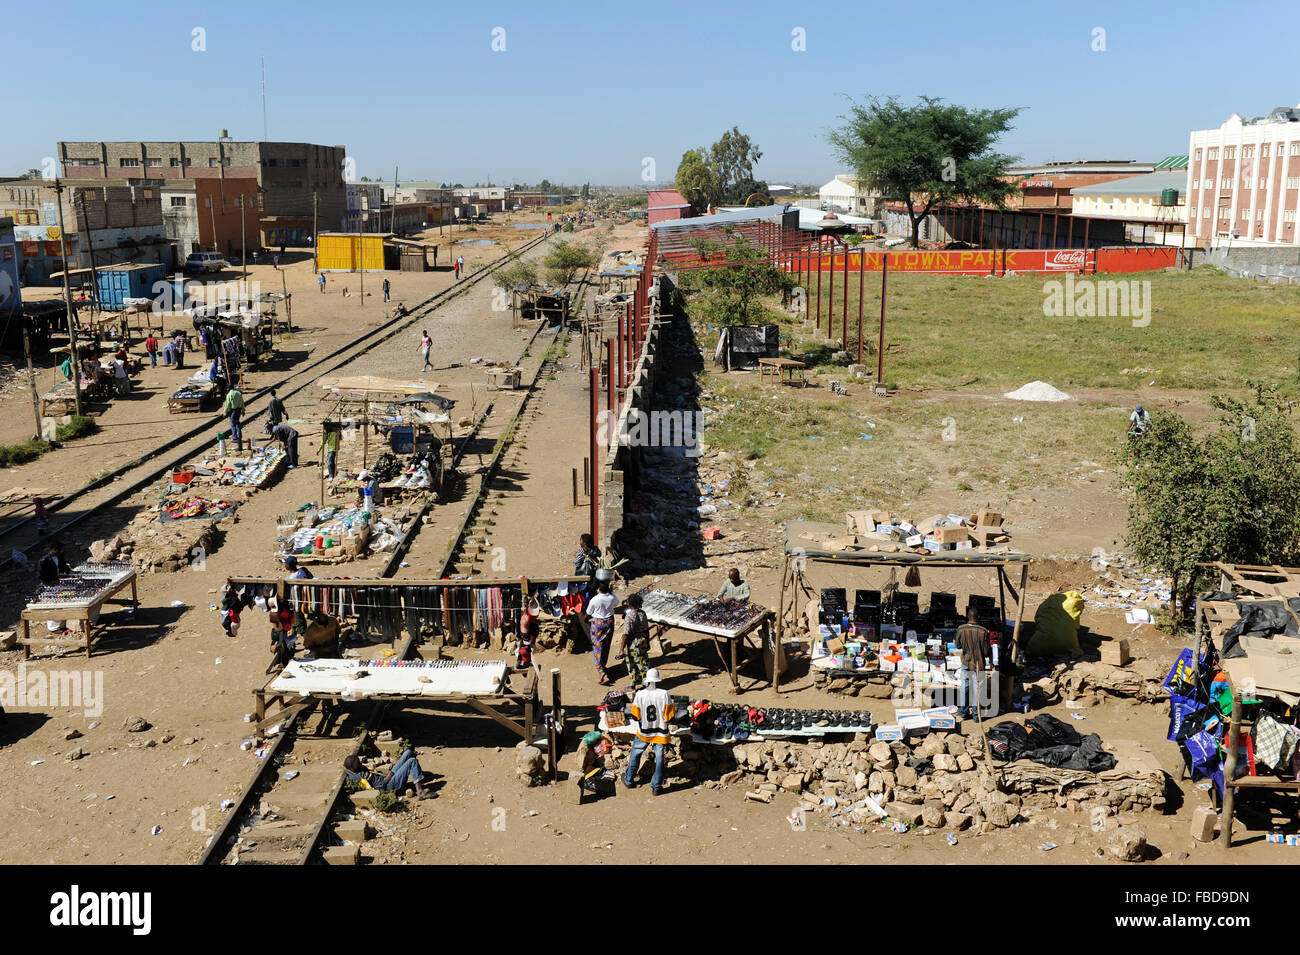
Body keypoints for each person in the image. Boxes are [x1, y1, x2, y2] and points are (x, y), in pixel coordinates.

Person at [622, 668, 675, 796]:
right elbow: (669, 716)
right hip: (660, 733)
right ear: (657, 680)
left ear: (647, 681)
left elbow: (635, 716)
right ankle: (656, 786)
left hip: (644, 731)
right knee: (660, 758)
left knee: (636, 753)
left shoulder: (640, 694)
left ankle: (629, 779)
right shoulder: (664, 693)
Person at [343, 750, 431, 799]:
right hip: (388, 786)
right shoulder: (357, 778)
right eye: (356, 762)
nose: (359, 761)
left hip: (388, 777)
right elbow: (377, 789)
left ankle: (418, 774)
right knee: (412, 761)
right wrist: (388, 777)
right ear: (352, 767)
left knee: (408, 752)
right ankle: (420, 792)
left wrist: (389, 774)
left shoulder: (358, 768)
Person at [955, 607, 992, 720]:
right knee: (977, 689)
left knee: (964, 687)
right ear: (978, 617)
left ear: (967, 616)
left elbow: (958, 645)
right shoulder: (983, 631)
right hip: (978, 664)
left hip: (966, 662)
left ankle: (962, 713)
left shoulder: (961, 629)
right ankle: (976, 716)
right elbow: (986, 652)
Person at [586, 581, 617, 685]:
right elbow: (616, 603)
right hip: (609, 621)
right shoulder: (612, 597)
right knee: (607, 644)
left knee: (597, 645)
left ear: (599, 589)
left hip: (598, 623)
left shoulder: (595, 599)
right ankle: (603, 665)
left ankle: (600, 670)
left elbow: (589, 612)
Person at [622, 592, 651, 691]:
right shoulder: (642, 613)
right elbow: (647, 629)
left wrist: (621, 649)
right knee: (643, 662)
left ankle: (633, 684)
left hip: (632, 642)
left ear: (630, 604)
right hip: (642, 640)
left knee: (631, 664)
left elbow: (625, 634)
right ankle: (646, 682)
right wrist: (648, 642)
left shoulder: (629, 616)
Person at [223, 384, 245, 449]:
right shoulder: (238, 393)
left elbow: (227, 405)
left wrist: (224, 413)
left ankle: (235, 438)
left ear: (229, 388)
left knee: (232, 424)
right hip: (239, 410)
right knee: (237, 422)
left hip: (233, 411)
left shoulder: (229, 395)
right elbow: (242, 402)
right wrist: (243, 410)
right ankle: (239, 435)